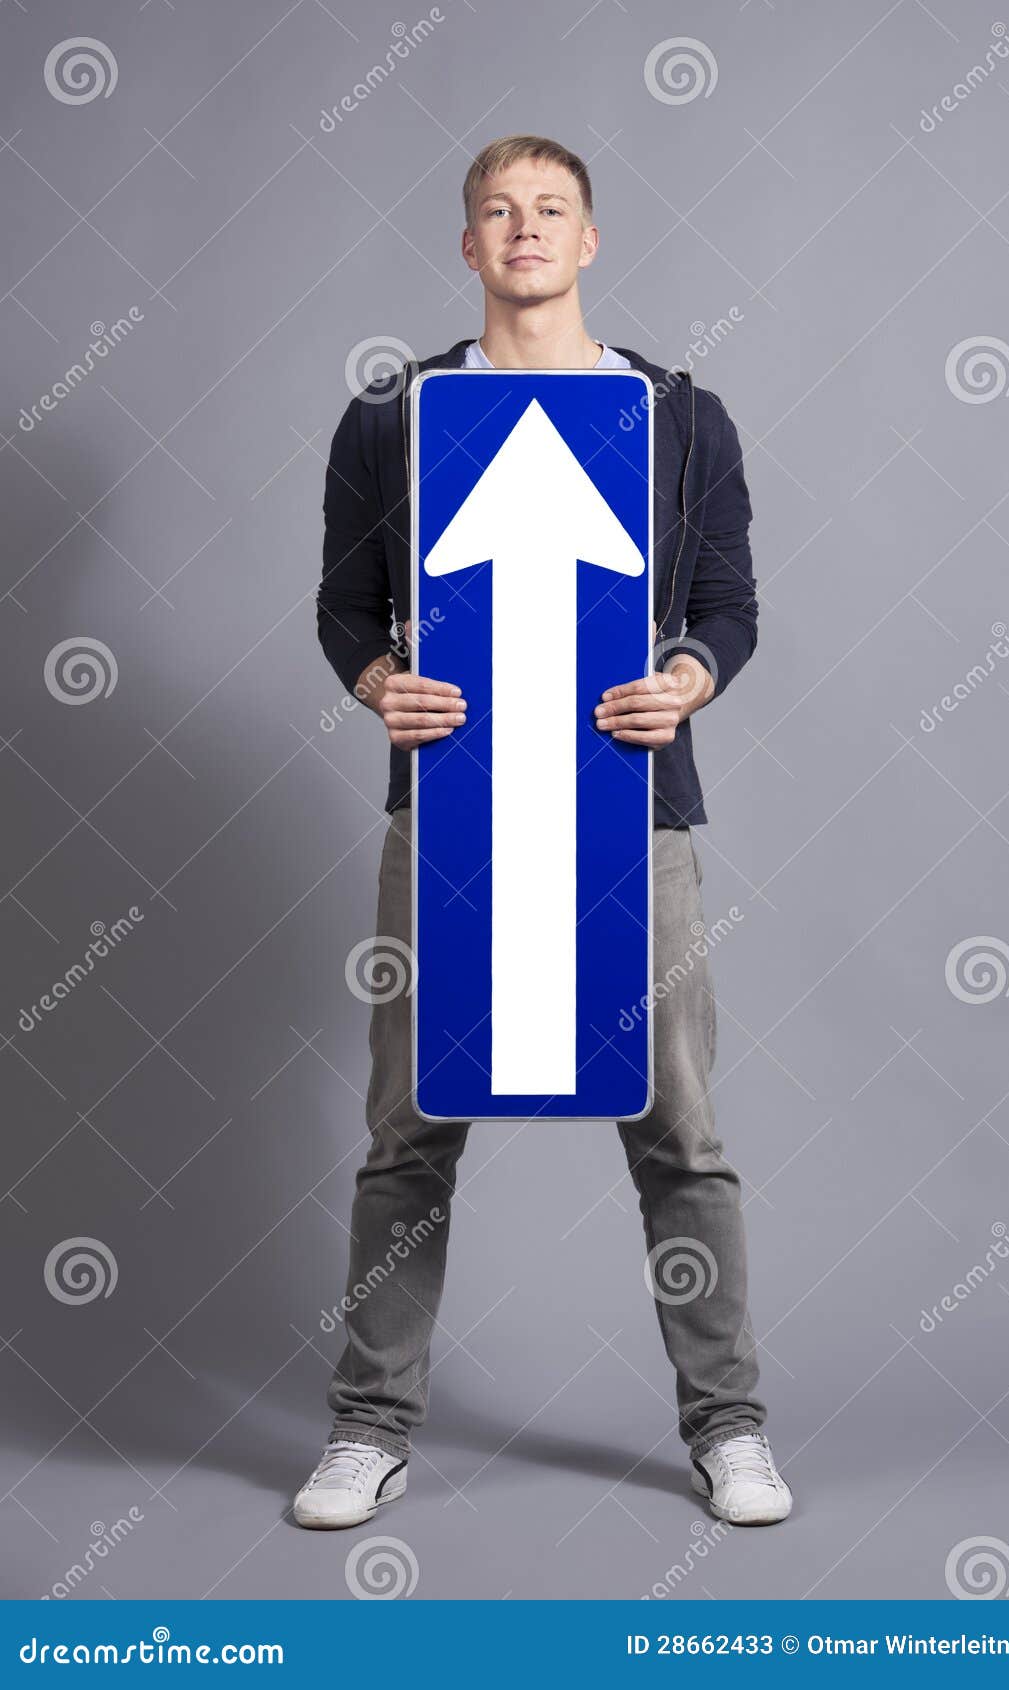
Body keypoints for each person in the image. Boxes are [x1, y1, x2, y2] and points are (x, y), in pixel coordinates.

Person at [295, 135, 791, 1531]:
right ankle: (367, 1423)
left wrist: (687, 675)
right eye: (498, 213)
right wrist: (376, 682)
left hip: (635, 813)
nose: (524, 230)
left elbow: (731, 602)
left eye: (550, 210)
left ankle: (730, 1426)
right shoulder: (392, 417)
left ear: (589, 241)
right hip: (447, 812)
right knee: (411, 1127)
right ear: (469, 248)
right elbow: (343, 606)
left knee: (679, 1128)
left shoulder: (682, 415)